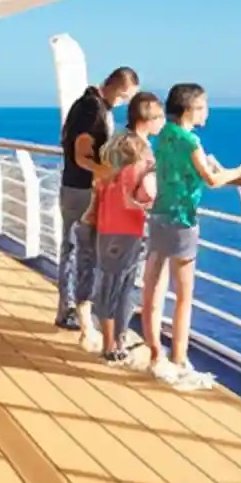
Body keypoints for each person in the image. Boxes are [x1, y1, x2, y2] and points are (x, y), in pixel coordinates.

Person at [142, 83, 241, 390]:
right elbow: (211, 180)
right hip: (182, 220)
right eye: (204, 106)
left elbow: (185, 170)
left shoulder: (166, 134)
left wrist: (214, 165)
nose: (207, 112)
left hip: (159, 215)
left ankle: (156, 356)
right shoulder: (190, 140)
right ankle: (179, 360)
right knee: (183, 296)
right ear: (189, 109)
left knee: (154, 290)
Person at [57, 67, 139, 335]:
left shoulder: (89, 104)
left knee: (77, 248)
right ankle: (70, 308)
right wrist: (112, 173)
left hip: (75, 186)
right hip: (80, 189)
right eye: (125, 96)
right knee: (77, 249)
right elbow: (82, 155)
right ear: (115, 87)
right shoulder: (92, 110)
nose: (124, 102)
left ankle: (72, 307)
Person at [92, 131, 157, 365]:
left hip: (106, 233)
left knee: (110, 288)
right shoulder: (135, 171)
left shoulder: (108, 176)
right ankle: (112, 345)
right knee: (121, 290)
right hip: (128, 235)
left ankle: (113, 342)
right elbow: (143, 197)